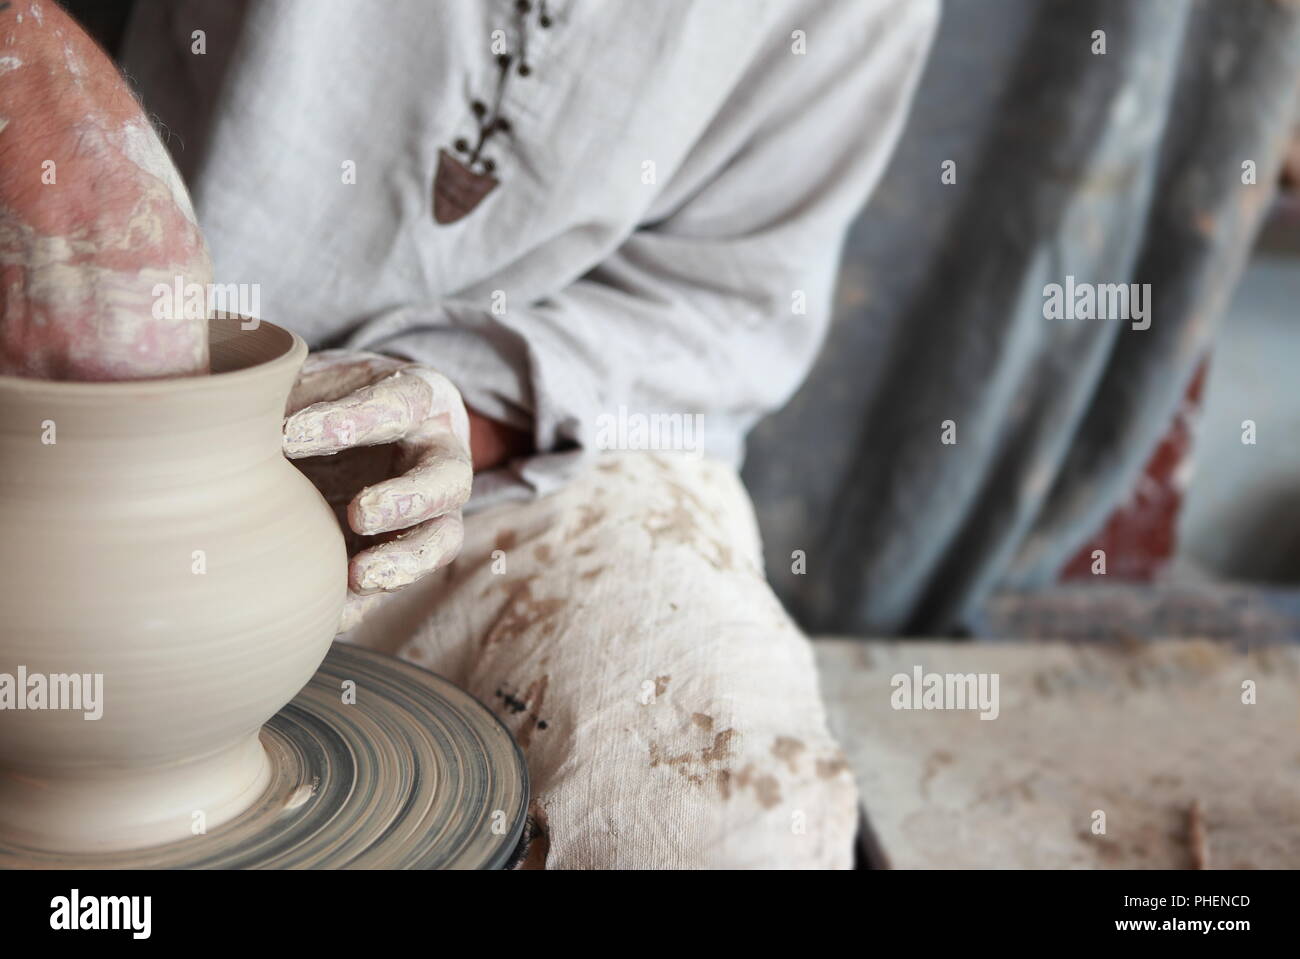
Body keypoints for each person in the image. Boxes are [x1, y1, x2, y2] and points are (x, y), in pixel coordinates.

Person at [0, 0, 938, 867]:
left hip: (525, 450)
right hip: (76, 393)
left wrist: (462, 405)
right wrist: (24, 58)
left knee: (725, 813)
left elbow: (723, 302)